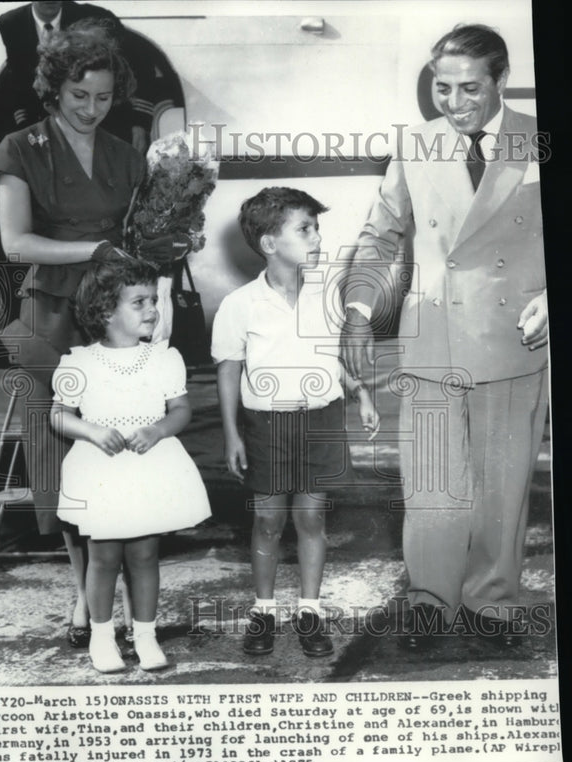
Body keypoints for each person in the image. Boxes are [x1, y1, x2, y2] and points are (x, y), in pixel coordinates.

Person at [341, 24, 549, 649]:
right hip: (430, 333)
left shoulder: (537, 136)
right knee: (431, 485)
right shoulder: (412, 144)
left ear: (501, 80)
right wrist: (356, 307)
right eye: (442, 88)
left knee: (502, 483)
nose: (453, 103)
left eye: (469, 89)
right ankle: (430, 600)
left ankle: (494, 602)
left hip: (515, 334)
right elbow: (380, 234)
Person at [0, 24, 175, 649]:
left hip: (114, 319)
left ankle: (118, 598)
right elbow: (14, 243)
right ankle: (82, 599)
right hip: (50, 320)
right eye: (78, 96)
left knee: (119, 456)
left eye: (101, 97)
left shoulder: (127, 153)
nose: (91, 110)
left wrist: (159, 287)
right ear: (52, 89)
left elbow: (146, 240)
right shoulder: (20, 147)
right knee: (68, 463)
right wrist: (93, 248)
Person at [212, 187, 379, 657]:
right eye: (303, 229)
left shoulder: (328, 295)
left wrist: (360, 392)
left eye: (316, 227)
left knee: (310, 518)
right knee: (267, 520)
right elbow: (228, 371)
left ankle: (310, 610)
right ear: (269, 243)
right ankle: (263, 612)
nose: (316, 236)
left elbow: (332, 360)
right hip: (266, 426)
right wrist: (231, 435)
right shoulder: (239, 304)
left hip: (322, 419)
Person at [50, 250, 210, 672]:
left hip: (147, 469)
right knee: (102, 558)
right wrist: (93, 431)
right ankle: (102, 639)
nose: (152, 310)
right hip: (101, 472)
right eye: (139, 302)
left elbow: (181, 410)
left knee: (144, 557)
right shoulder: (79, 362)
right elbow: (59, 414)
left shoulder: (162, 358)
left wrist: (157, 430)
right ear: (105, 311)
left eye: (153, 301)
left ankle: (145, 634)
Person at [0, 1, 156, 154]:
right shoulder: (11, 23)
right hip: (46, 129)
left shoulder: (95, 17)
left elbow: (142, 61)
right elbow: (18, 82)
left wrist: (139, 123)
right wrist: (29, 132)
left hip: (101, 128)